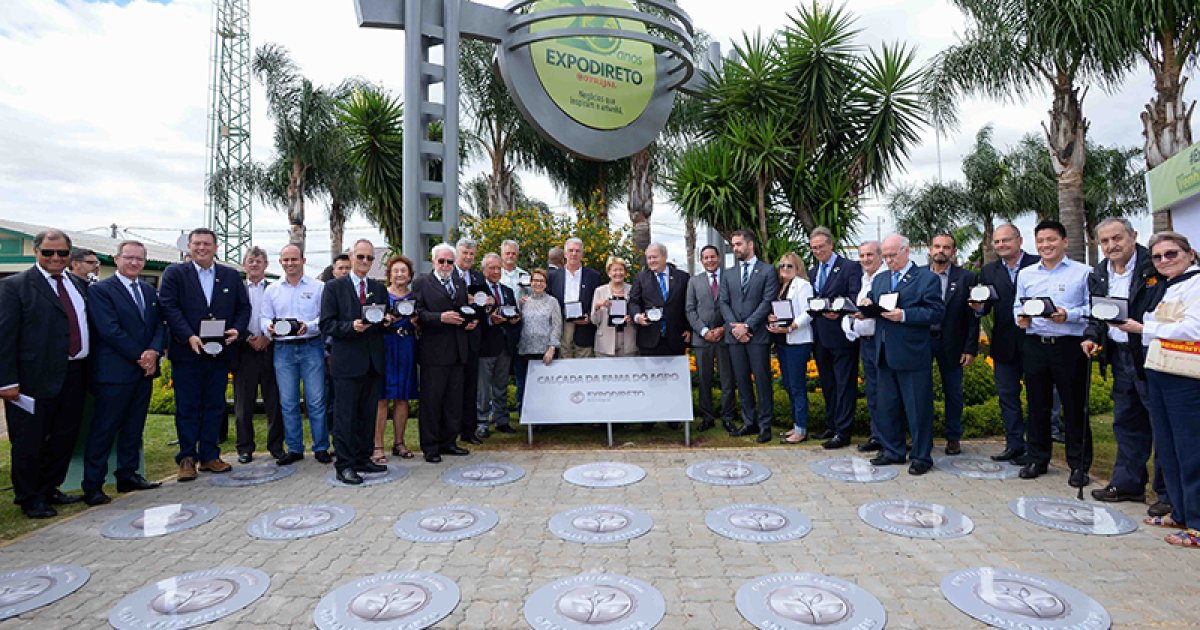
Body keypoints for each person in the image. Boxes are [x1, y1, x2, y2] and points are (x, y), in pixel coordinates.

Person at [0, 229, 91, 518]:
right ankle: (29, 497)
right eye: (48, 252)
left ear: (69, 255)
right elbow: (4, 337)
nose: (55, 258)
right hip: (33, 378)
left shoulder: (77, 285)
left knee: (64, 437)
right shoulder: (14, 287)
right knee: (30, 441)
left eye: (62, 253)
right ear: (36, 252)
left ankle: (51, 487)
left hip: (74, 374)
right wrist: (6, 381)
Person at [1118, 231, 1200, 548]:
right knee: (1168, 448)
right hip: (1161, 372)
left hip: (1187, 377)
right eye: (1157, 257)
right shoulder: (1170, 286)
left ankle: (1197, 523)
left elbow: (1193, 328)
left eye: (1171, 254)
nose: (1164, 260)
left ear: (1190, 254)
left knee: (1191, 450)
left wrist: (1144, 328)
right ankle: (1180, 512)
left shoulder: (1196, 283)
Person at [1081, 219, 1168, 510]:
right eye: (1105, 241)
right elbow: (1097, 314)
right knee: (1127, 421)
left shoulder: (1153, 266)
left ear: (1133, 236)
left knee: (1161, 424)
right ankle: (1128, 484)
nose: (1111, 246)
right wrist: (1092, 337)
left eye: (1117, 238)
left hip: (1151, 353)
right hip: (1120, 355)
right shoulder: (1099, 272)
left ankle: (1167, 494)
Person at [158, 227, 250, 481]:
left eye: (207, 244)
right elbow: (168, 306)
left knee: (214, 405)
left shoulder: (230, 275)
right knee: (187, 406)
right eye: (197, 243)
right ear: (189, 246)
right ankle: (187, 458)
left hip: (219, 353)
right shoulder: (175, 273)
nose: (201, 248)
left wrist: (237, 329)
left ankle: (210, 455)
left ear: (215, 247)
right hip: (187, 352)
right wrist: (188, 335)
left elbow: (243, 308)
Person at [80, 240, 165, 506]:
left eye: (139, 259)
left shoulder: (148, 291)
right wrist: (141, 356)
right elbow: (109, 329)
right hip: (114, 373)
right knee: (104, 430)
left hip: (144, 372)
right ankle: (93, 485)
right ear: (116, 259)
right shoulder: (101, 290)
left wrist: (154, 351)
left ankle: (128, 475)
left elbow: (159, 325)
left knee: (133, 427)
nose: (134, 263)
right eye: (129, 257)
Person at [1012, 220, 1093, 487]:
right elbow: (1017, 306)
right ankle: (1037, 458)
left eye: (1051, 239)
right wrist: (1020, 318)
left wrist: (1068, 315)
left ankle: (1079, 465)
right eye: (1041, 241)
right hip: (1035, 345)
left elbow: (1092, 308)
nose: (1045, 245)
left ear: (1064, 242)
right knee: (1037, 405)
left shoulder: (1083, 272)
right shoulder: (1026, 274)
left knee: (1074, 407)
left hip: (1069, 346)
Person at [858, 234, 944, 475]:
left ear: (906, 251)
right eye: (885, 256)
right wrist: (866, 307)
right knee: (888, 407)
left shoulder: (926, 278)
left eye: (892, 255)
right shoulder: (881, 278)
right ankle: (892, 450)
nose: (888, 260)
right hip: (884, 352)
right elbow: (875, 304)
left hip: (912, 354)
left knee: (917, 409)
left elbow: (936, 312)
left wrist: (904, 315)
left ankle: (921, 456)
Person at [320, 239, 389, 484]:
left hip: (372, 361)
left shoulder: (378, 288)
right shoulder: (334, 287)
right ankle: (345, 465)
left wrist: (386, 321)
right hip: (347, 363)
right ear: (350, 257)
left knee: (367, 414)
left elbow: (382, 318)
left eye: (369, 258)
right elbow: (326, 324)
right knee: (345, 416)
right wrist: (351, 327)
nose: (364, 261)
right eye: (360, 256)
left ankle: (363, 458)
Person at [969, 224, 1039, 464]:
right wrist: (979, 308)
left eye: (1006, 240)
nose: (1001, 245)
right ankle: (1014, 444)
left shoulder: (1038, 265)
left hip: (1035, 342)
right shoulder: (989, 271)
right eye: (997, 242)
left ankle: (1036, 448)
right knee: (1007, 397)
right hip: (1004, 343)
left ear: (1019, 240)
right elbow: (986, 305)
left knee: (1037, 398)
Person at [262, 244, 329, 465]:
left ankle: (321, 447)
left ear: (303, 260)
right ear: (280, 262)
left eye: (294, 259)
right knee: (288, 402)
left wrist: (308, 326)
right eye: (286, 260)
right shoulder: (272, 290)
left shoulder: (318, 287)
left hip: (311, 346)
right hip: (283, 349)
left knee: (316, 401)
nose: (290, 263)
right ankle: (294, 448)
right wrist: (268, 328)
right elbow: (264, 317)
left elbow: (324, 318)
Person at [412, 243, 476, 463]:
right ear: (433, 261)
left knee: (453, 401)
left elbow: (462, 310)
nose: (446, 265)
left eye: (450, 261)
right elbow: (417, 313)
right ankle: (430, 447)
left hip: (458, 350)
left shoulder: (459, 283)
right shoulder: (422, 283)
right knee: (432, 402)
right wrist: (440, 318)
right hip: (434, 352)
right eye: (442, 261)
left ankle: (449, 442)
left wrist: (468, 321)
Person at [720, 229, 779, 444]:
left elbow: (767, 301)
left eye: (738, 244)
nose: (735, 248)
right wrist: (736, 328)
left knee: (762, 382)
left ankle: (765, 426)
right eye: (733, 245)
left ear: (750, 244)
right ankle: (749, 422)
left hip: (758, 336)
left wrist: (747, 326)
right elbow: (723, 302)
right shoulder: (728, 273)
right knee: (742, 381)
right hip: (735, 336)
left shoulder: (767, 271)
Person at [925, 234, 980, 456]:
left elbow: (972, 316)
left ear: (953, 252)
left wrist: (970, 348)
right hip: (922, 342)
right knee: (920, 391)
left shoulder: (967, 277)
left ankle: (953, 437)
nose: (941, 250)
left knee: (953, 392)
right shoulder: (918, 275)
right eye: (937, 246)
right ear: (930, 249)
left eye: (946, 247)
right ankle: (923, 437)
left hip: (952, 343)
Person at [807, 226, 862, 449]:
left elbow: (855, 297)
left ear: (831, 244)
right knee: (828, 383)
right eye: (814, 248)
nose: (818, 251)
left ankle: (843, 431)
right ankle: (831, 424)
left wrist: (839, 311)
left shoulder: (849, 267)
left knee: (844, 384)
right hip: (820, 336)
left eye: (821, 246)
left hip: (842, 335)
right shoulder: (813, 272)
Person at [231, 247, 284, 464]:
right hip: (244, 350)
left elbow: (282, 315)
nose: (254, 264)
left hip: (271, 349)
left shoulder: (276, 289)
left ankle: (276, 446)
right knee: (244, 404)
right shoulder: (236, 289)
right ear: (244, 265)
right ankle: (244, 448)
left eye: (259, 261)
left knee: (274, 402)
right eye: (250, 261)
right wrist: (247, 338)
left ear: (266, 265)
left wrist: (267, 338)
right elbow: (230, 316)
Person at [686, 245, 736, 433]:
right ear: (701, 261)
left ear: (719, 258)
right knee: (704, 379)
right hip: (702, 339)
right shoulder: (694, 281)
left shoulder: (730, 278)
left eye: (712, 257)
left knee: (727, 379)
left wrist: (724, 329)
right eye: (706, 258)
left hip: (725, 336)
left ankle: (728, 417)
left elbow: (736, 306)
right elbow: (690, 310)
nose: (710, 260)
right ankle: (707, 417)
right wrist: (704, 331)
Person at [842, 241, 886, 452]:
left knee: (885, 391)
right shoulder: (864, 278)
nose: (865, 259)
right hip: (865, 341)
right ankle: (877, 435)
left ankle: (889, 438)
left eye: (870, 255)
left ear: (880, 256)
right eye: (862, 255)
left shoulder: (885, 278)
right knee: (873, 392)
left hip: (881, 340)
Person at [375, 255, 419, 463]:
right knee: (382, 398)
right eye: (396, 271)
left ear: (409, 275)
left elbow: (422, 326)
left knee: (403, 397)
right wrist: (384, 320)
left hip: (407, 346)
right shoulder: (381, 295)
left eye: (403, 271)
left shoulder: (415, 297)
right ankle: (377, 446)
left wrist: (417, 322)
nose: (400, 274)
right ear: (389, 275)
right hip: (386, 346)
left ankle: (399, 443)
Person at [767, 252, 814, 444]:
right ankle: (796, 425)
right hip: (782, 341)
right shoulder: (780, 287)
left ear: (798, 268)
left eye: (789, 266)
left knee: (797, 386)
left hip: (798, 341)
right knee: (788, 385)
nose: (785, 269)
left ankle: (801, 429)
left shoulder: (803, 285)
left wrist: (790, 327)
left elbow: (809, 312)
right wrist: (772, 318)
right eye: (782, 265)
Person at [476, 253, 520, 437]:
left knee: (501, 386)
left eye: (498, 268)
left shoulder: (507, 290)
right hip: (486, 345)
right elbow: (474, 316)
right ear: (483, 270)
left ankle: (501, 420)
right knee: (483, 388)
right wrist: (489, 319)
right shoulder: (477, 291)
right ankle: (482, 422)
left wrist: (514, 319)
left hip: (505, 344)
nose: (495, 271)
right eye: (491, 268)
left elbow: (514, 312)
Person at [453, 238, 487, 445]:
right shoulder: (448, 274)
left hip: (473, 337)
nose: (468, 257)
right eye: (465, 253)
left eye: (471, 254)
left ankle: (469, 430)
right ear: (457, 254)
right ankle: (451, 430)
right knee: (453, 386)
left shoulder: (477, 276)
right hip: (453, 337)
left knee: (470, 386)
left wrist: (478, 317)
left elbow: (482, 305)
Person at [629, 243, 691, 356]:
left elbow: (688, 304)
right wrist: (637, 317)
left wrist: (689, 328)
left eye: (655, 257)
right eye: (649, 258)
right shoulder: (641, 278)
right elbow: (633, 302)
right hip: (649, 338)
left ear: (665, 256)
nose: (652, 261)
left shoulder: (682, 277)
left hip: (676, 338)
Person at [515, 269, 562, 410]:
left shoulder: (552, 302)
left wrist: (552, 348)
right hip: (525, 350)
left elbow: (557, 326)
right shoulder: (523, 302)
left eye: (541, 281)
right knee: (524, 386)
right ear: (530, 283)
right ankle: (525, 414)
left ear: (546, 284)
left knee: (545, 389)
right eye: (535, 280)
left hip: (545, 352)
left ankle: (546, 416)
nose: (538, 284)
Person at [548, 238, 599, 359]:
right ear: (565, 254)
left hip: (584, 324)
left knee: (584, 361)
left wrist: (589, 315)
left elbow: (596, 298)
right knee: (564, 359)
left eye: (577, 251)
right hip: (562, 324)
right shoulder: (553, 276)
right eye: (571, 250)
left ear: (582, 254)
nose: (574, 254)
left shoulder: (593, 276)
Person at [323, 253, 352, 438]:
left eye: (348, 268)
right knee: (331, 398)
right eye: (341, 268)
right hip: (330, 352)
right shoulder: (328, 291)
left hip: (352, 354)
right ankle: (333, 436)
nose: (344, 271)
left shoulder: (357, 292)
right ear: (333, 271)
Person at [592, 256, 638, 358]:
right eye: (615, 270)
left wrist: (632, 318)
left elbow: (637, 312)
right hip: (605, 344)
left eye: (621, 270)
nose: (618, 273)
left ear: (625, 272)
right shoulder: (600, 291)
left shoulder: (633, 290)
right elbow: (594, 321)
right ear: (609, 273)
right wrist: (598, 306)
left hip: (628, 342)